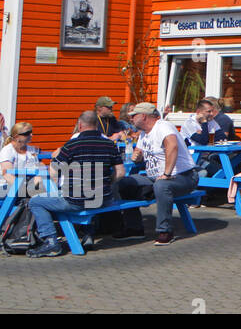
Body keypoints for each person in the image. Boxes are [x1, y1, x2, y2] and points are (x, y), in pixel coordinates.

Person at [27, 111, 125, 258]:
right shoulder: (109, 144)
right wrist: (107, 183)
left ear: (79, 125)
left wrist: (57, 187)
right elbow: (120, 172)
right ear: (96, 125)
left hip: (77, 201)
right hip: (103, 200)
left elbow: (54, 170)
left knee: (36, 202)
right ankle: (88, 234)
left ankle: (50, 241)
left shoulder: (72, 144)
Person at [114, 102, 200, 245]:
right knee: (125, 182)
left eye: (134, 116)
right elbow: (140, 152)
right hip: (154, 177)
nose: (131, 119)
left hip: (184, 177)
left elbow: (172, 146)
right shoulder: (144, 134)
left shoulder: (163, 126)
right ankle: (134, 228)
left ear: (144, 116)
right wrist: (137, 155)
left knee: (161, 185)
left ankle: (165, 231)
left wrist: (167, 174)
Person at [1, 121, 40, 194]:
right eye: (27, 133)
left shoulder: (31, 150)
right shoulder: (7, 151)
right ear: (16, 137)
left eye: (31, 132)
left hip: (29, 183)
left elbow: (36, 170)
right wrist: (24, 190)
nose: (31, 135)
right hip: (12, 186)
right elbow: (7, 175)